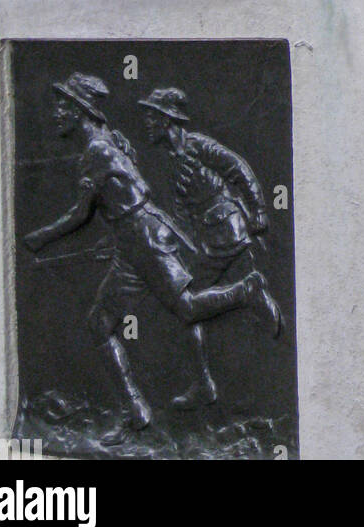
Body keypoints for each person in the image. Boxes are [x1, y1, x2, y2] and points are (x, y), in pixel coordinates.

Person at [22, 74, 281, 443]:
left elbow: (84, 214)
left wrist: (39, 238)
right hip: (136, 242)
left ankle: (246, 292)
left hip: (155, 239)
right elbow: (129, 199)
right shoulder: (110, 144)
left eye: (65, 105)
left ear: (81, 111)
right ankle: (139, 411)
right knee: (102, 322)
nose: (57, 113)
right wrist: (119, 239)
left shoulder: (101, 150)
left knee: (187, 308)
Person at [137, 86, 280, 410]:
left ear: (167, 120)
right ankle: (207, 382)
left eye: (152, 117)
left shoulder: (197, 146)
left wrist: (258, 210)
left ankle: (248, 298)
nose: (147, 123)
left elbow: (238, 169)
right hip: (210, 239)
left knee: (188, 306)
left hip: (227, 232)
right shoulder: (172, 161)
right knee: (188, 309)